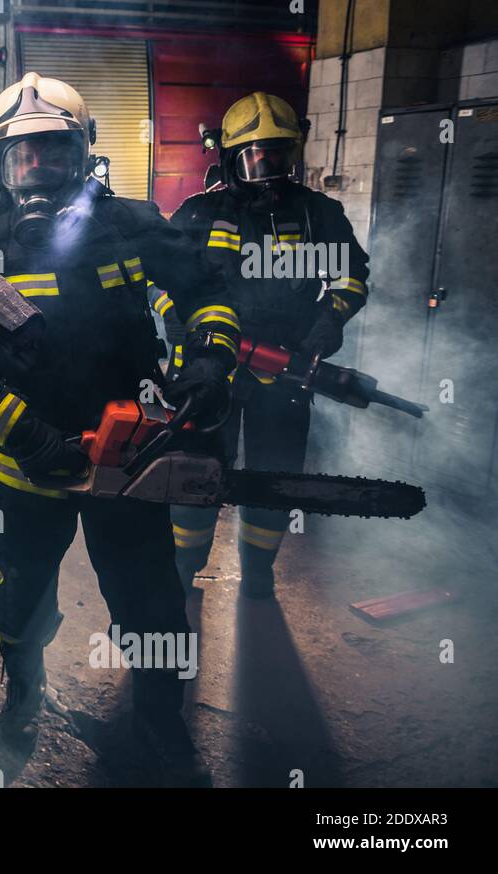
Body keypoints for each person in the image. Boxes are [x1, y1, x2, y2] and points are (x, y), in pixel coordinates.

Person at [0, 73, 240, 784]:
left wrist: (209, 358)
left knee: (150, 601)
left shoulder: (133, 226)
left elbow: (208, 290)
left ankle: (161, 724)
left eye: (53, 152)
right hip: (25, 469)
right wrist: (29, 436)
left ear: (83, 155)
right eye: (22, 157)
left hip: (127, 462)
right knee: (20, 596)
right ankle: (22, 701)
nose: (38, 170)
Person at [165, 92, 370, 599]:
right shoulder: (197, 214)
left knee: (275, 477)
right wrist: (178, 324)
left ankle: (258, 572)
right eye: (255, 157)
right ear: (230, 158)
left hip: (286, 371)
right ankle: (182, 572)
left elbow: (351, 280)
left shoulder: (318, 214)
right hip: (207, 373)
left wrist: (330, 322)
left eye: (278, 155)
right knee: (195, 475)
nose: (268, 168)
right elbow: (157, 280)